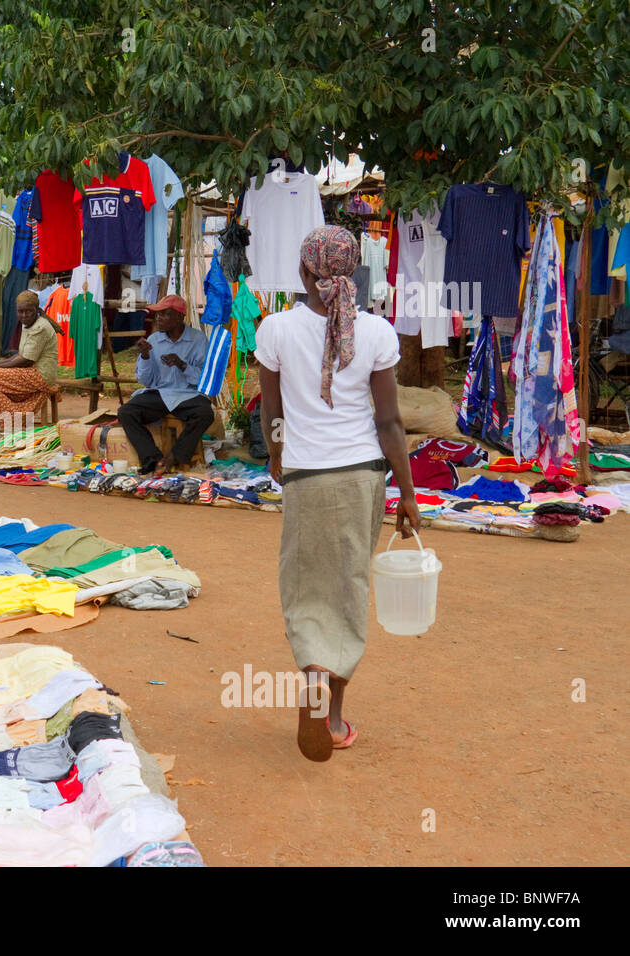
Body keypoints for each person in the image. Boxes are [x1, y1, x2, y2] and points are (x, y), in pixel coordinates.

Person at [255, 224, 420, 763]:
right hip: (362, 477)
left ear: (304, 271)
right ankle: (334, 716)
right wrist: (410, 495)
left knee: (306, 591)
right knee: (348, 589)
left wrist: (278, 456)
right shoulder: (376, 333)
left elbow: (271, 412)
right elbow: (390, 421)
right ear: (352, 271)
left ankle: (311, 683)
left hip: (307, 477)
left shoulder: (275, 329)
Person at [117, 294, 212, 475]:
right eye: (157, 314)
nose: (158, 319)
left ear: (179, 317)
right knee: (126, 412)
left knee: (205, 413)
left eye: (164, 314)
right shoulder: (153, 340)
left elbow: (204, 380)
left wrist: (182, 364)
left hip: (187, 395)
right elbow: (145, 380)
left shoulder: (198, 340)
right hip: (160, 394)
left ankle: (174, 457)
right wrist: (145, 356)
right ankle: (153, 458)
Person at [0, 290, 60, 420]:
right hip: (30, 371)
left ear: (37, 310)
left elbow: (26, 360)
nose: (24, 315)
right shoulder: (28, 325)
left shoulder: (41, 328)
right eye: (20, 311)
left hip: (40, 375)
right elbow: (20, 355)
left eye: (28, 311)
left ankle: (1, 421)